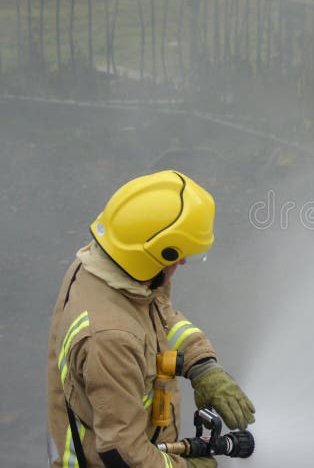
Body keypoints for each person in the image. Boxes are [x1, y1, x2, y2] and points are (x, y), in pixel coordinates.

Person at [46, 170, 255, 467]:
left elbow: (159, 317)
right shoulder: (109, 337)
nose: (182, 262)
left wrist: (201, 364)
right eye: (176, 256)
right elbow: (121, 453)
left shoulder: (111, 266)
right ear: (151, 254)